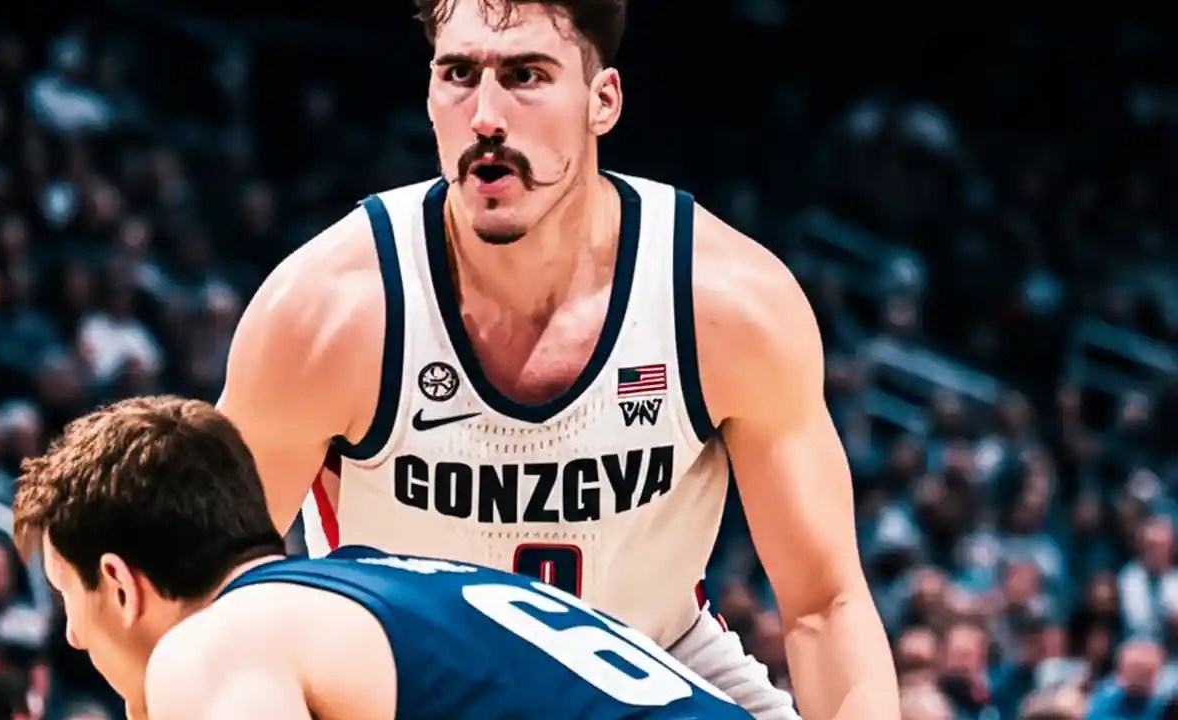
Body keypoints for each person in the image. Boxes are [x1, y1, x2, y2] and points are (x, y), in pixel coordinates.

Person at [216, 0, 897, 716]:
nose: (485, 115)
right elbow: (197, 593)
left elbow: (824, 604)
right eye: (458, 74)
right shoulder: (326, 310)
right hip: (409, 688)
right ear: (428, 96)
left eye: (525, 75)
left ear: (602, 100)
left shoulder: (725, 302)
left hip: (656, 666)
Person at [10, 396, 749, 719]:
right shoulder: (378, 588)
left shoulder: (213, 644)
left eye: (65, 598)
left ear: (118, 583)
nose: (72, 635)